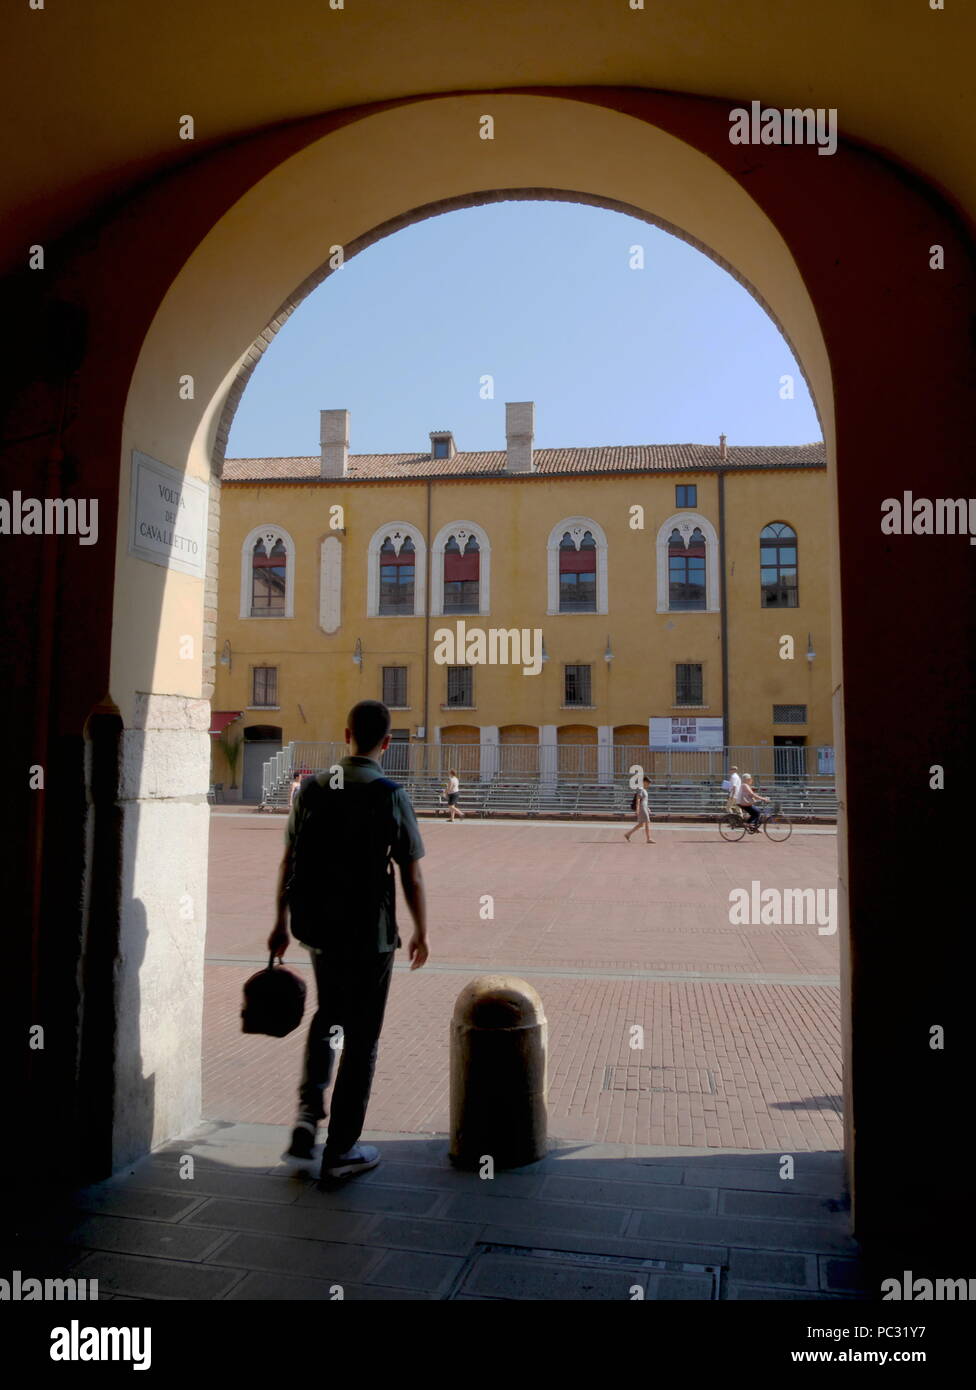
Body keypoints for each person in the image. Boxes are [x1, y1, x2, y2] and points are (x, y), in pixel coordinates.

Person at [268, 700, 428, 1183]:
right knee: (363, 1037)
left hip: (319, 928)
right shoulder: (389, 793)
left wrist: (279, 922)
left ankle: (305, 1121)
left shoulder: (315, 787)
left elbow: (289, 860)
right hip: (371, 934)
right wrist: (422, 928)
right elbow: (410, 872)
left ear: (346, 733)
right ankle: (342, 1148)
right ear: (387, 742)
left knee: (327, 1017)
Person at [624, 775, 655, 843]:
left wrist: (647, 808)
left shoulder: (644, 790)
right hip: (642, 808)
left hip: (644, 808)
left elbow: (644, 800)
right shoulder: (640, 789)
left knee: (641, 824)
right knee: (647, 822)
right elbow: (638, 799)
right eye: (648, 782)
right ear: (644, 782)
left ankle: (628, 834)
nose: (649, 784)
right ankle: (648, 838)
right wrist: (637, 809)